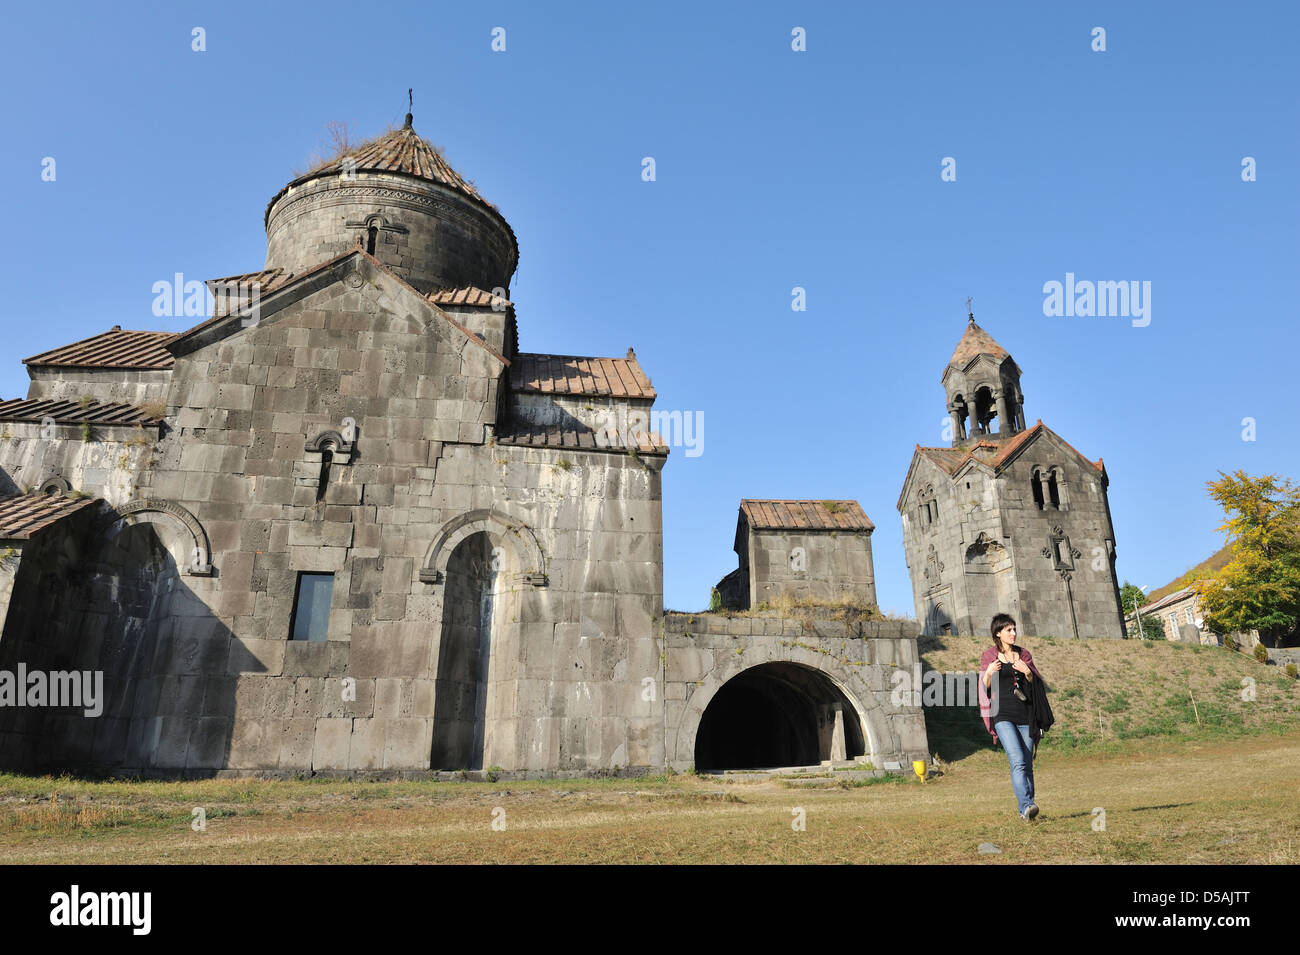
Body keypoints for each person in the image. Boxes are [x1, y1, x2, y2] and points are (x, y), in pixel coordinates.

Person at [977, 613, 1052, 821]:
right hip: (1002, 715)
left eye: (1014, 629)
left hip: (1025, 714)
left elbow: (1035, 683)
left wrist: (1027, 672)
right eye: (1009, 630)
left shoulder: (1024, 654)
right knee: (1017, 760)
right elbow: (985, 689)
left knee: (1027, 763)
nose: (1014, 633)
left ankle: (1026, 811)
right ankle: (1028, 805)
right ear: (998, 633)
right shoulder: (988, 656)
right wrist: (989, 673)